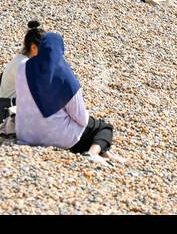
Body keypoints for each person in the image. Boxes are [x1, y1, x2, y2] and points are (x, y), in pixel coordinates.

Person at [14, 32, 123, 166]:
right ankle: (93, 153)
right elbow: (81, 119)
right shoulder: (66, 78)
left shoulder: (22, 67)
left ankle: (106, 153)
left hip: (25, 134)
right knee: (102, 127)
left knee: (82, 132)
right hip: (56, 138)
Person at [0, 20, 45, 135]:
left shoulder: (20, 59)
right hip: (9, 114)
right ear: (34, 48)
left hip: (8, 109)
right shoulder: (24, 64)